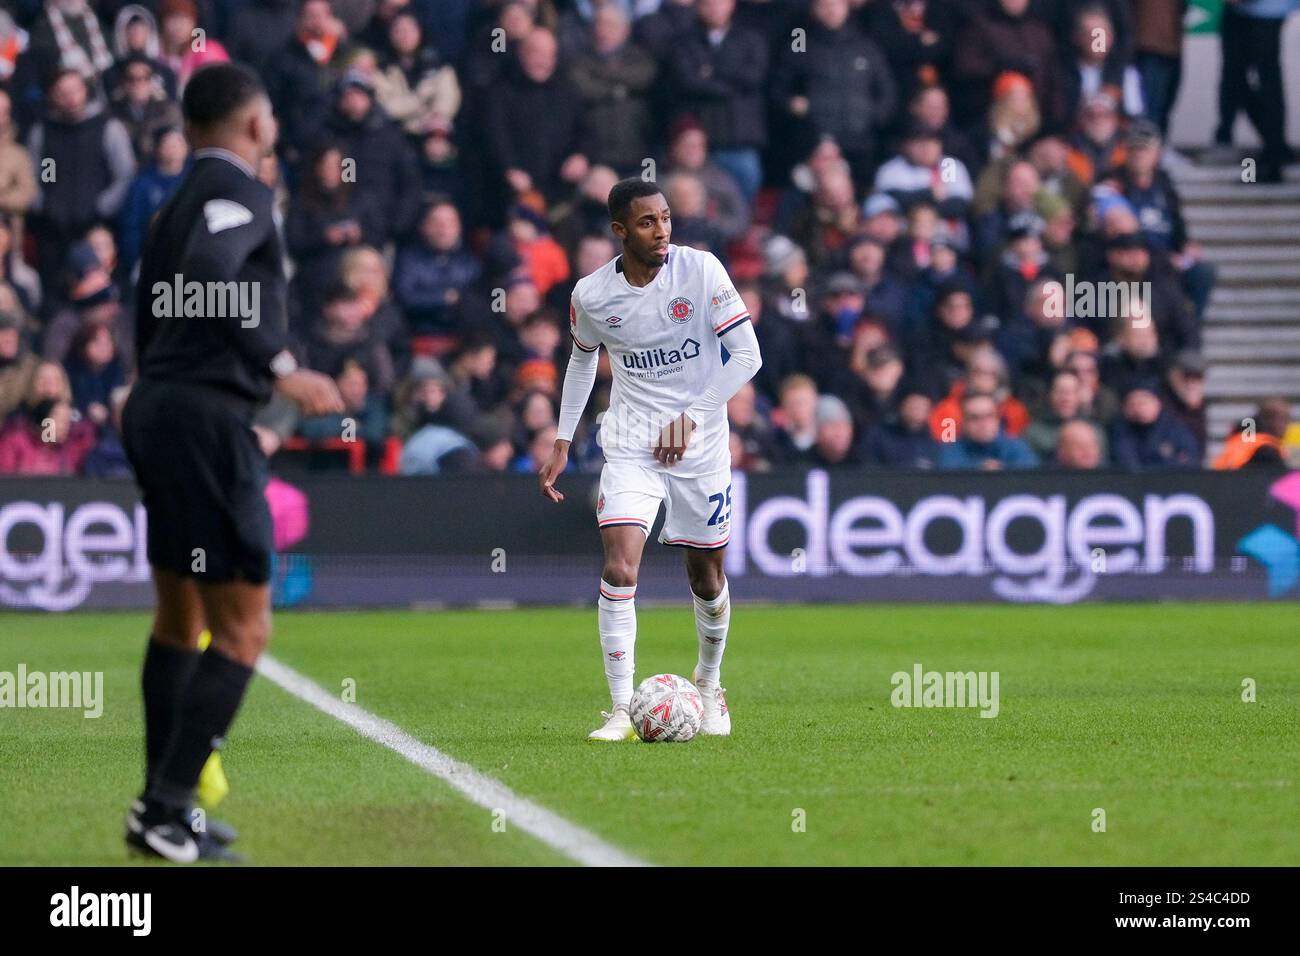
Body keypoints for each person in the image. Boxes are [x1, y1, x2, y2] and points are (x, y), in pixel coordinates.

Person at [120, 63, 342, 864]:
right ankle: (167, 806)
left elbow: (152, 303)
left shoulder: (170, 200)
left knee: (181, 617)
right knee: (245, 630)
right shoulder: (238, 194)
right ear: (255, 125)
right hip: (207, 416)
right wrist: (280, 363)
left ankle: (162, 806)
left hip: (162, 406)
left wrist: (150, 387)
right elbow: (213, 275)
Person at [537, 178, 762, 741]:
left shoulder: (702, 271)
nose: (662, 230)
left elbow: (747, 356)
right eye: (646, 222)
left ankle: (709, 685)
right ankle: (618, 709)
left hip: (702, 444)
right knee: (619, 568)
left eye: (665, 218)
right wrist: (564, 438)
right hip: (632, 442)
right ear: (619, 231)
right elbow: (582, 361)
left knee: (706, 578)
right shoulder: (591, 295)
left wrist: (692, 416)